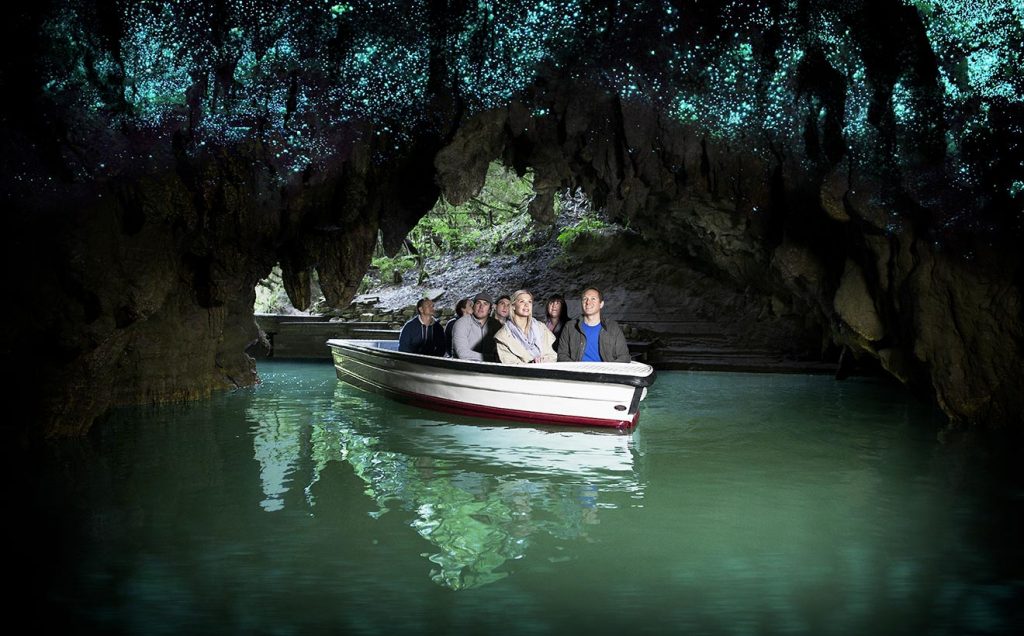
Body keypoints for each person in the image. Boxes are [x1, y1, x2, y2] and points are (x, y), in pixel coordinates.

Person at [557, 286, 631, 363]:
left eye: (593, 299)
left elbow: (624, 357)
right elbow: (562, 355)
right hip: (578, 372)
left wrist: (608, 369)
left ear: (601, 304)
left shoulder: (613, 327)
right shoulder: (570, 327)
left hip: (605, 373)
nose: (588, 302)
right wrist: (576, 369)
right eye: (585, 299)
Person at [495, 290, 558, 364]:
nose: (527, 305)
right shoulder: (503, 336)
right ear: (513, 306)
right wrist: (531, 364)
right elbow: (510, 365)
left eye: (529, 302)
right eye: (522, 301)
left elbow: (552, 354)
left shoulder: (541, 328)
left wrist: (545, 361)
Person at [451, 292, 501, 361]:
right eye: (478, 303)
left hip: (489, 369)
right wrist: (492, 358)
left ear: (489, 310)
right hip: (464, 368)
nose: (481, 307)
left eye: (485, 304)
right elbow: (462, 354)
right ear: (473, 307)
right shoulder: (461, 323)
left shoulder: (496, 325)